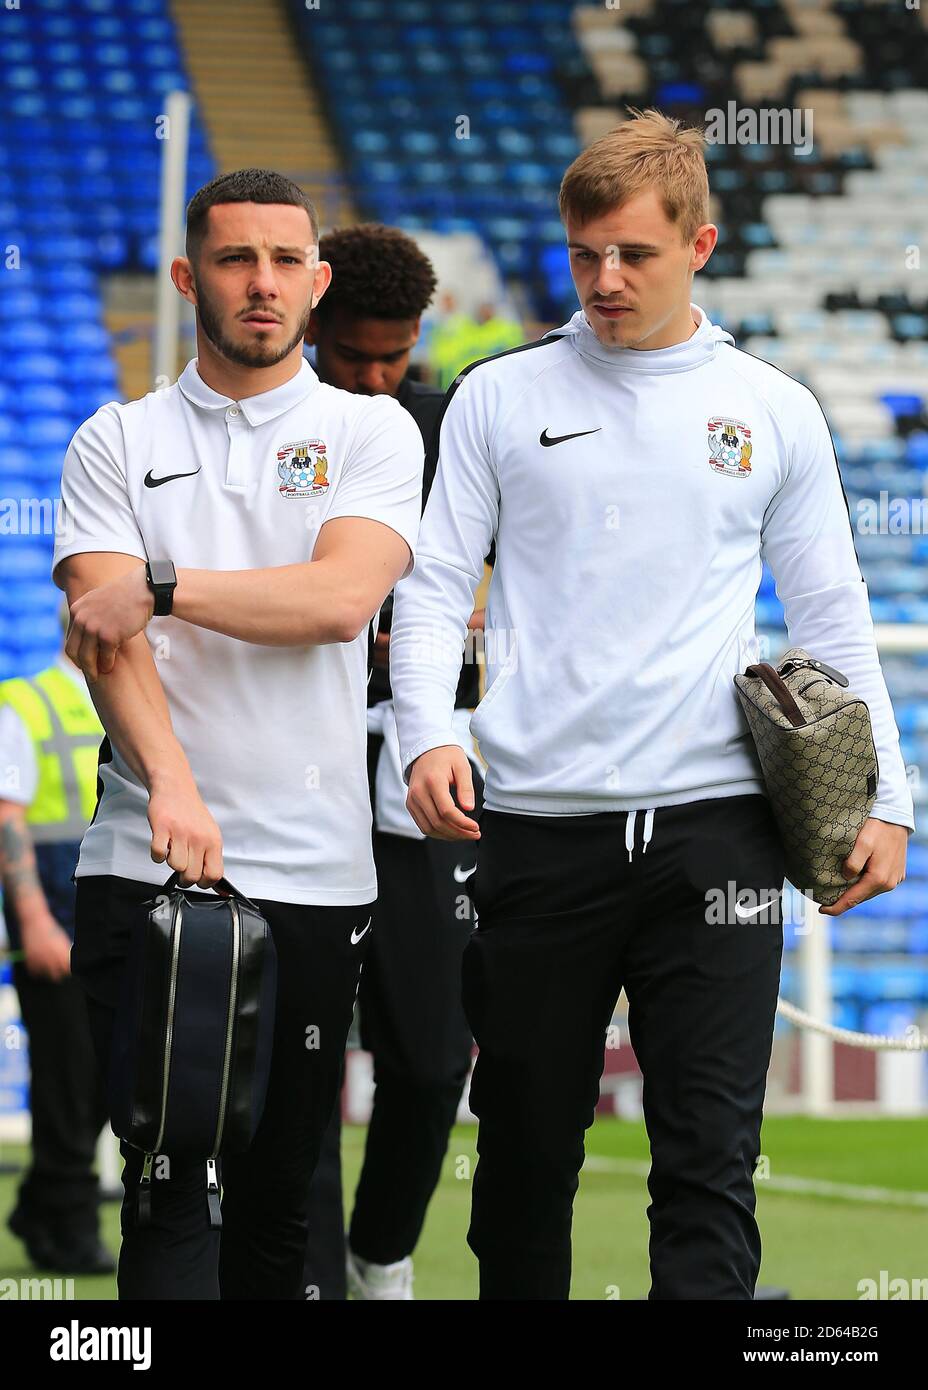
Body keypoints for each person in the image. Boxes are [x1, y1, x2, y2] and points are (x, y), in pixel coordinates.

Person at [389, 108, 914, 1301]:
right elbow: (427, 592)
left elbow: (832, 617)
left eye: (633, 253)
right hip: (532, 829)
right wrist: (427, 732)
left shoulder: (772, 408)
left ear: (702, 244)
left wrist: (887, 793)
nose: (605, 278)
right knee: (524, 1161)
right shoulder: (495, 395)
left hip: (714, 829)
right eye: (584, 254)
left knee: (709, 1160)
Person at [51, 168, 424, 1301]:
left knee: (280, 1194)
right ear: (187, 276)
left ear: (315, 281)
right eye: (232, 259)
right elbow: (103, 642)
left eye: (281, 261)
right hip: (148, 865)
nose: (260, 284)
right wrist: (170, 785)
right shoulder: (115, 439)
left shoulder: (371, 431)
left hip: (316, 874)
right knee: (169, 1187)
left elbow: (334, 602)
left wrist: (162, 585)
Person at [302, 223, 488, 1300]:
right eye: (353, 356)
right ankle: (313, 1274)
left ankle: (380, 1249)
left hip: (423, 773)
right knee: (301, 1060)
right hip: (299, 774)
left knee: (429, 1058)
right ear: (314, 326)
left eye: (394, 356)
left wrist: (444, 623)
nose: (374, 380)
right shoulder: (281, 428)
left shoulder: (446, 424)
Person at [0, 612, 113, 1275]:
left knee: (105, 1076)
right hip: (56, 919)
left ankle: (44, 1202)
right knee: (70, 1082)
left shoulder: (140, 701)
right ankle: (66, 1224)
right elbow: (6, 816)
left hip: (114, 915)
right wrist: (35, 921)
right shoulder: (27, 701)